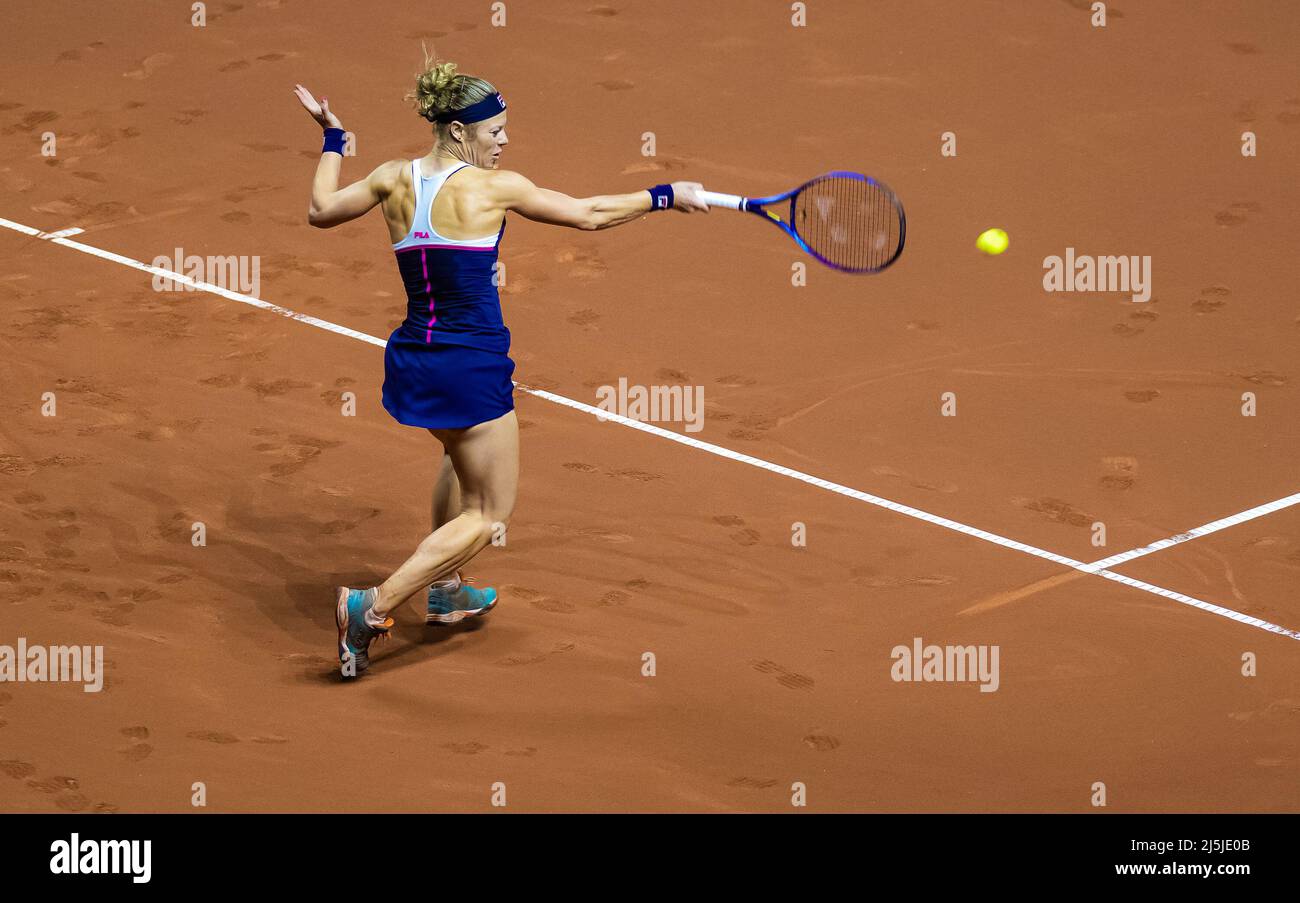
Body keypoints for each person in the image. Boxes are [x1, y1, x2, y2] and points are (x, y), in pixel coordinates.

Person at [293, 56, 707, 677]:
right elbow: (590, 214)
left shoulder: (390, 178)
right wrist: (666, 195)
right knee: (489, 514)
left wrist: (331, 137)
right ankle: (371, 605)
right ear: (460, 130)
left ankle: (446, 589)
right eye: (495, 131)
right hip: (471, 366)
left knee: (455, 454)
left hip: (414, 358)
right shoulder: (493, 188)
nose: (504, 141)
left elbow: (320, 210)